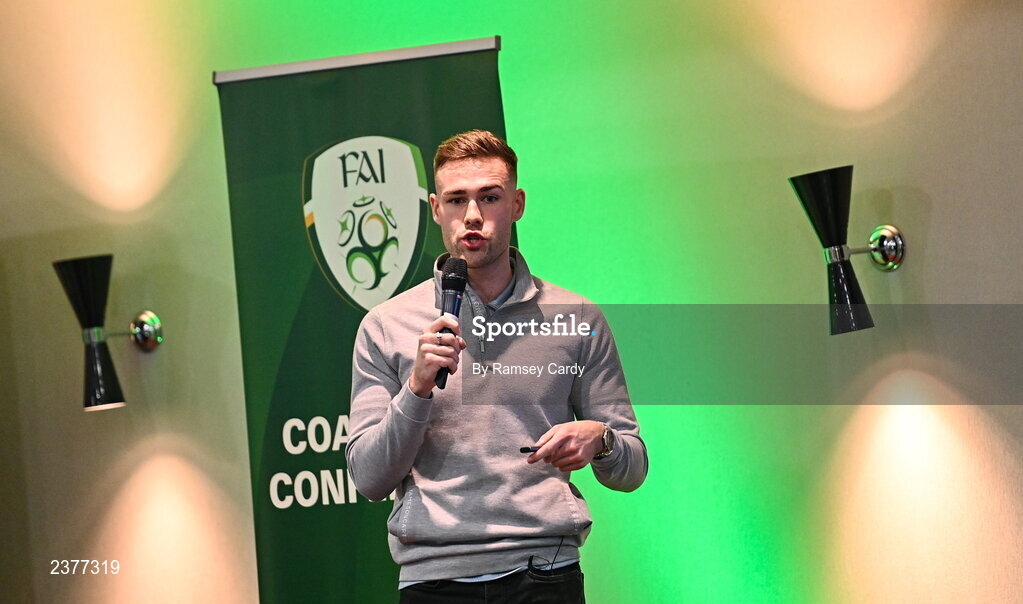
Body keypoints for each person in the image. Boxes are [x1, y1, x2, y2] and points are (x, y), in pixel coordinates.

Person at [346, 130, 647, 603]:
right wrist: (418, 387)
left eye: (489, 197)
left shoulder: (578, 319)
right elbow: (369, 478)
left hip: (545, 574)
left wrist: (601, 439)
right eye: (456, 199)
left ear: (518, 204)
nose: (472, 216)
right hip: (433, 582)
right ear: (434, 209)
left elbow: (631, 466)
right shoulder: (385, 325)